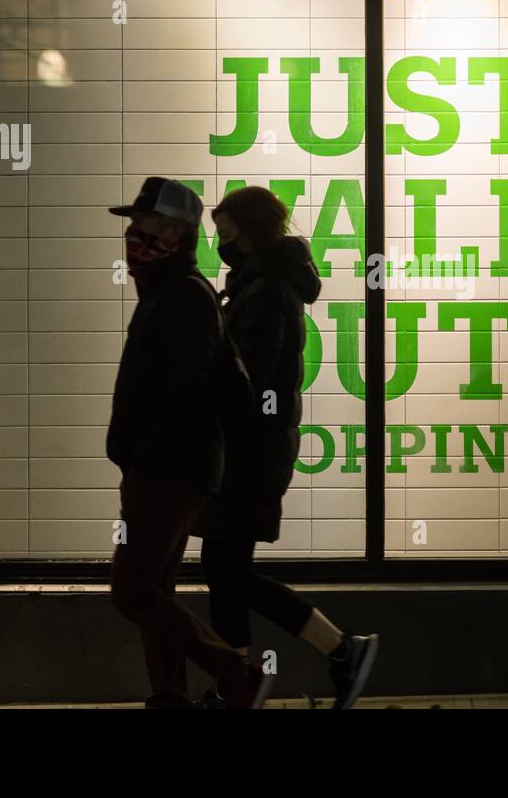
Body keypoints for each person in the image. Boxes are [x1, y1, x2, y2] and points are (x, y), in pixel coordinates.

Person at [194, 186, 379, 709]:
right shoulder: (261, 285)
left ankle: (340, 649)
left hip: (250, 454)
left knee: (226, 568)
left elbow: (247, 379)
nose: (219, 245)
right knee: (224, 568)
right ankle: (242, 685)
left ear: (250, 235)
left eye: (226, 236)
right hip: (251, 449)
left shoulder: (267, 290)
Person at [106, 176, 272, 710]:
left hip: (170, 470)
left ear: (176, 232)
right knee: (155, 589)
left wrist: (149, 456)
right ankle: (169, 698)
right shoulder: (168, 292)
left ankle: (236, 674)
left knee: (131, 589)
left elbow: (191, 387)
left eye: (145, 226)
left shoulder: (182, 296)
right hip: (165, 466)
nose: (133, 236)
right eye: (132, 226)